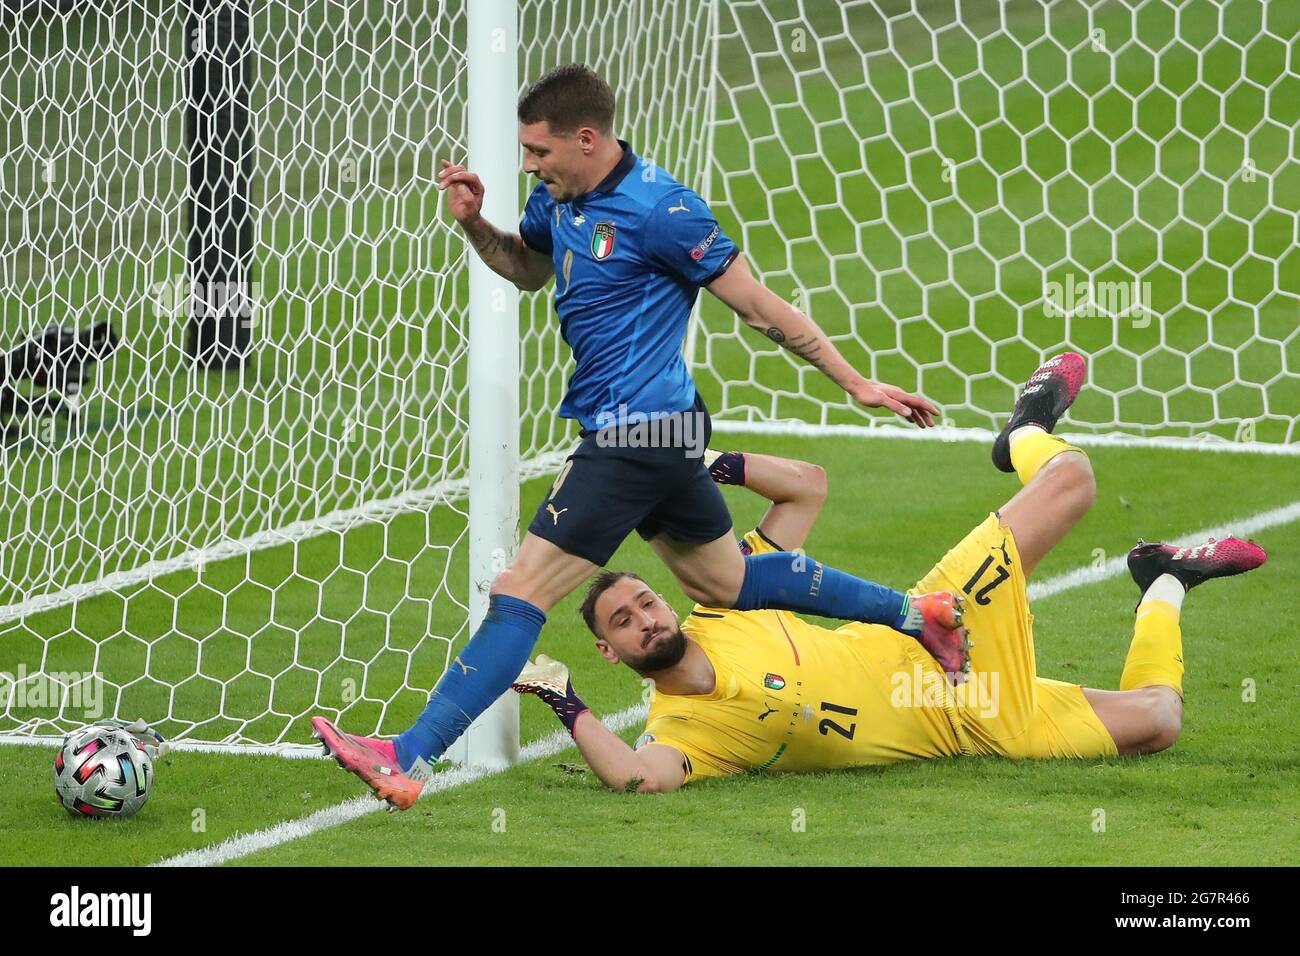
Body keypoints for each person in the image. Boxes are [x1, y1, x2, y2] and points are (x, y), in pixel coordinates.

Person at [311, 64, 967, 809]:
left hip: (635, 435)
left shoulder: (665, 211)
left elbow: (757, 305)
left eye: (538, 151)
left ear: (585, 139)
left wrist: (856, 383)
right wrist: (474, 224)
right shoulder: (557, 198)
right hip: (663, 431)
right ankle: (921, 615)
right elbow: (528, 271)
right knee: (728, 583)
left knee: (518, 592)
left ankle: (407, 755)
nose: (529, 164)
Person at [514, 353, 1267, 791]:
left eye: (645, 601)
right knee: (1159, 721)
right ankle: (1164, 579)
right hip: (976, 727)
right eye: (624, 622)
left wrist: (702, 466)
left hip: (933, 629)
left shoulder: (729, 598)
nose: (646, 617)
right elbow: (638, 779)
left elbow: (806, 483)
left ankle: (1026, 431)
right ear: (612, 653)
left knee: (1071, 482)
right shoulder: (681, 731)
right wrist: (563, 699)